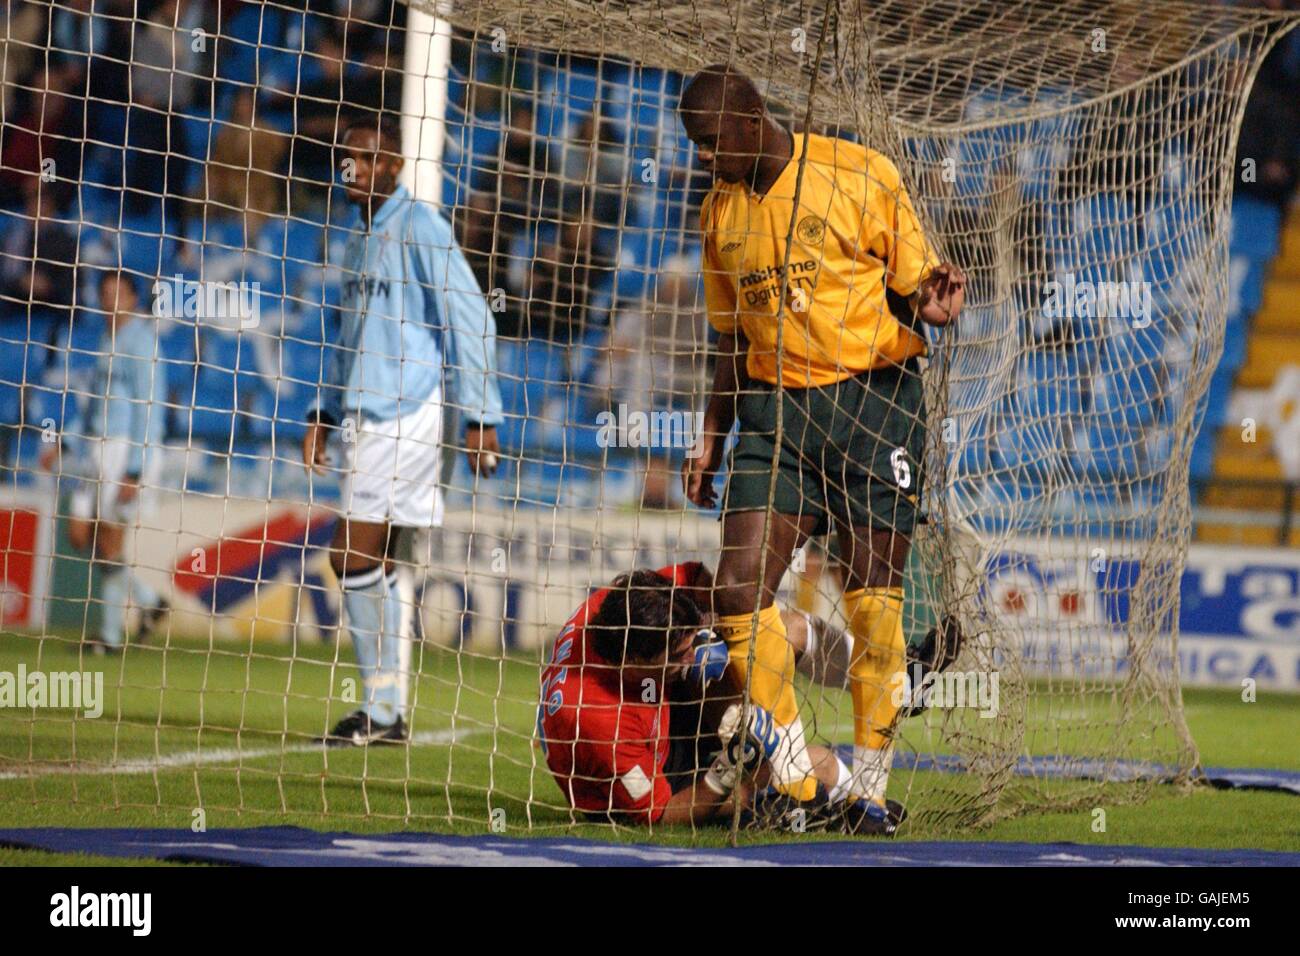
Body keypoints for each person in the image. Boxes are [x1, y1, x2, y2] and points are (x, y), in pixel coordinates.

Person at [678, 65, 966, 832]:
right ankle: (800, 778)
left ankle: (869, 789)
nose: (703, 159)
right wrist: (711, 435)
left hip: (874, 405)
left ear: (748, 120)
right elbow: (729, 338)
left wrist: (931, 305)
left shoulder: (858, 172)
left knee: (874, 605)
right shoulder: (718, 215)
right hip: (775, 418)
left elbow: (919, 286)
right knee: (738, 588)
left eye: (709, 143)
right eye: (695, 147)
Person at [303, 115, 502, 746]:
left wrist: (481, 416)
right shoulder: (359, 238)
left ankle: (382, 708)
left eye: (362, 159)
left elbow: (472, 319)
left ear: (393, 166)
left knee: (349, 554)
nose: (350, 170)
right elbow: (347, 337)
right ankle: (386, 712)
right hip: (365, 414)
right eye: (344, 159)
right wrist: (322, 412)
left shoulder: (419, 225)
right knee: (384, 560)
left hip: (410, 414)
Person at [537, 563, 863, 829]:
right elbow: (662, 815)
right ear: (635, 660)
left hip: (658, 702)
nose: (692, 657)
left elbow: (697, 578)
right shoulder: (597, 719)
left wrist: (710, 628)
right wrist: (727, 769)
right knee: (817, 767)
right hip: (642, 775)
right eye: (680, 654)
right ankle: (850, 804)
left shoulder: (625, 603)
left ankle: (883, 678)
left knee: (782, 632)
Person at [41, 271, 169, 654]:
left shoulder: (142, 342)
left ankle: (110, 637)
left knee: (110, 540)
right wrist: (63, 441)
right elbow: (97, 402)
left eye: (119, 293)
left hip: (124, 448)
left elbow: (152, 406)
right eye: (105, 293)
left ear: (133, 299)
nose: (111, 300)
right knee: (80, 535)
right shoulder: (105, 340)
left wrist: (136, 466)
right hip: (95, 449)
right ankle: (147, 600)